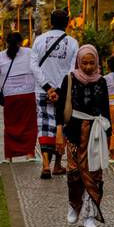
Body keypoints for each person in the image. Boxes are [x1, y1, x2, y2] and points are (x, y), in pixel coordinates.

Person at [54, 45, 112, 227]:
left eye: (91, 63)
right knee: (74, 173)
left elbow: (106, 109)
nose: (88, 67)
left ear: (97, 62)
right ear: (78, 62)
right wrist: (59, 131)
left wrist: (109, 137)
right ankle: (74, 204)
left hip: (95, 133)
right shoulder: (70, 79)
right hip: (73, 133)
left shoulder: (101, 82)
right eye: (84, 63)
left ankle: (89, 215)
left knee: (94, 174)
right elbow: (60, 106)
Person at [33, 10, 79, 180]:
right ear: (67, 22)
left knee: (44, 125)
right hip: (64, 92)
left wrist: (47, 88)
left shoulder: (39, 40)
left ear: (50, 21)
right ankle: (58, 164)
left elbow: (33, 66)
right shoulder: (73, 43)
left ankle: (46, 164)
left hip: (41, 91)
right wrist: (59, 89)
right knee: (63, 125)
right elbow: (73, 68)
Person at [0, 32, 37, 162]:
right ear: (21, 42)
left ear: (6, 43)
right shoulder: (30, 53)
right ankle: (30, 154)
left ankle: (9, 157)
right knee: (29, 124)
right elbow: (37, 70)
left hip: (10, 95)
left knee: (10, 125)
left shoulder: (0, 57)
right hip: (28, 93)